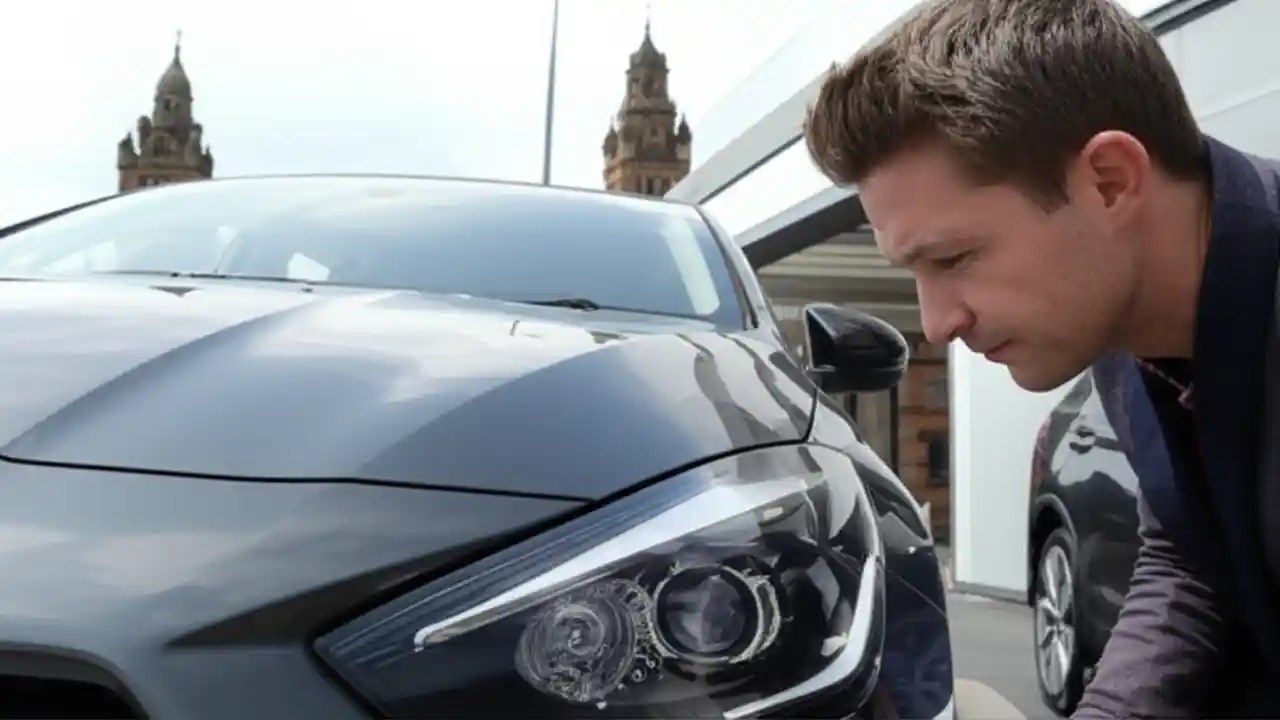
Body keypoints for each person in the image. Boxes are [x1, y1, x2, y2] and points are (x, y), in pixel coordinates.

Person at [799, 0, 1280, 717]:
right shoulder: (1125, 338)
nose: (936, 324)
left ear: (1110, 181)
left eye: (955, 257)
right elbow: (1189, 559)